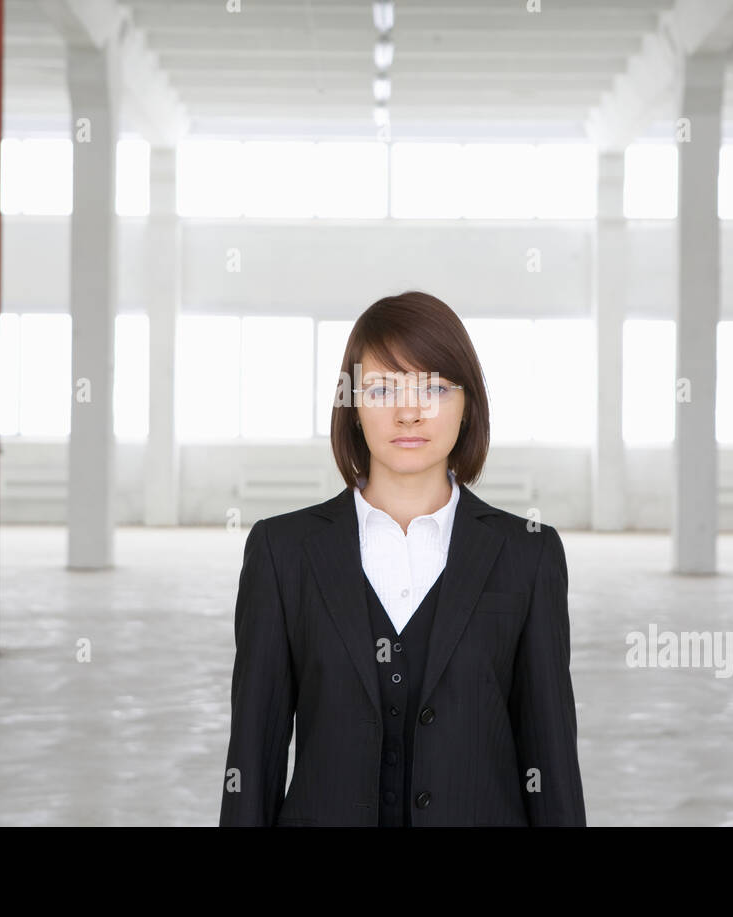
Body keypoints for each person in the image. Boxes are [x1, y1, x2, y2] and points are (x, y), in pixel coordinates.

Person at [219, 290, 585, 826]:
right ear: (352, 406)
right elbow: (253, 756)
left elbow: (551, 763)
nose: (409, 411)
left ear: (468, 406)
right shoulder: (283, 552)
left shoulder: (528, 555)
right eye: (382, 388)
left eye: (435, 387)